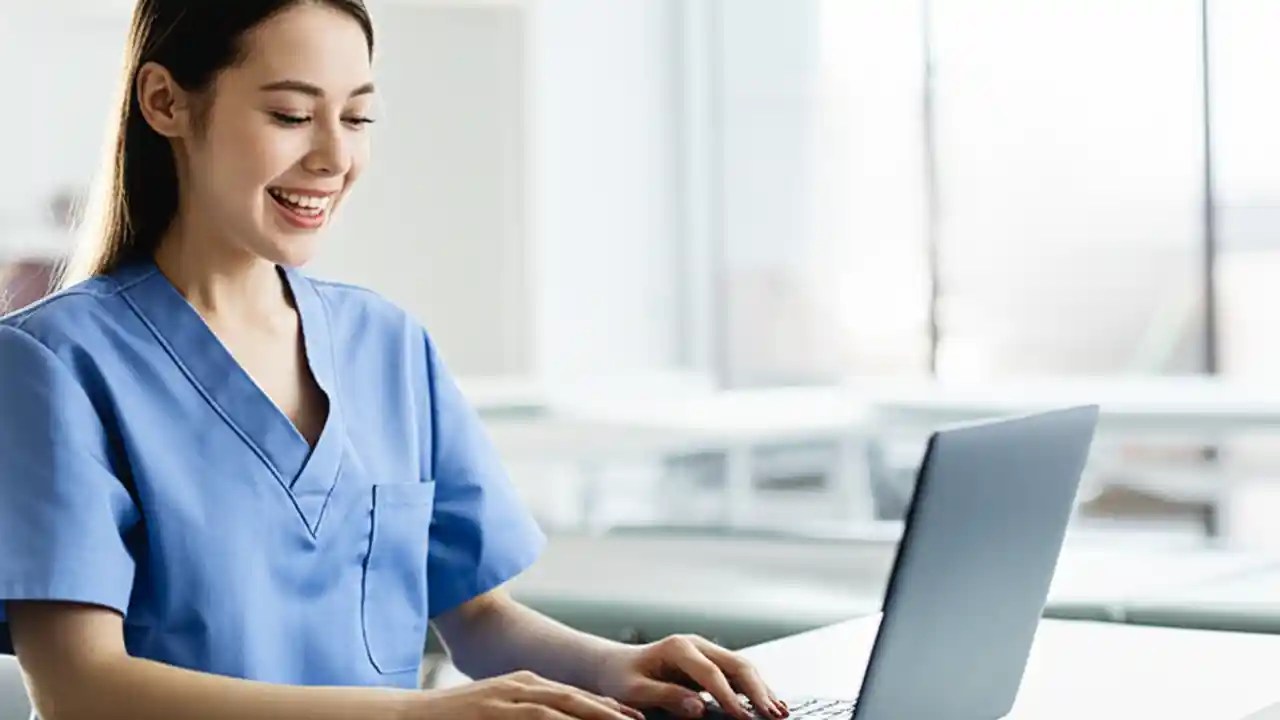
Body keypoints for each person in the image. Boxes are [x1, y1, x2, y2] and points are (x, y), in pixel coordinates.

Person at [0, 2, 789, 719]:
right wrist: (414, 717)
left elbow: (476, 618)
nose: (333, 157)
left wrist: (620, 668)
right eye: (291, 114)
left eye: (359, 117)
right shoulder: (52, 365)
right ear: (166, 102)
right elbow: (81, 687)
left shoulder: (387, 344)